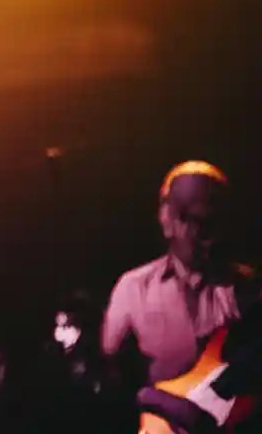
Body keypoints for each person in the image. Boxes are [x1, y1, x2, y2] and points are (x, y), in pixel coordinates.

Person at [102, 161, 260, 431]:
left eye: (214, 222)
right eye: (196, 221)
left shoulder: (248, 289)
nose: (208, 237)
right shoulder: (132, 288)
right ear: (167, 218)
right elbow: (110, 379)